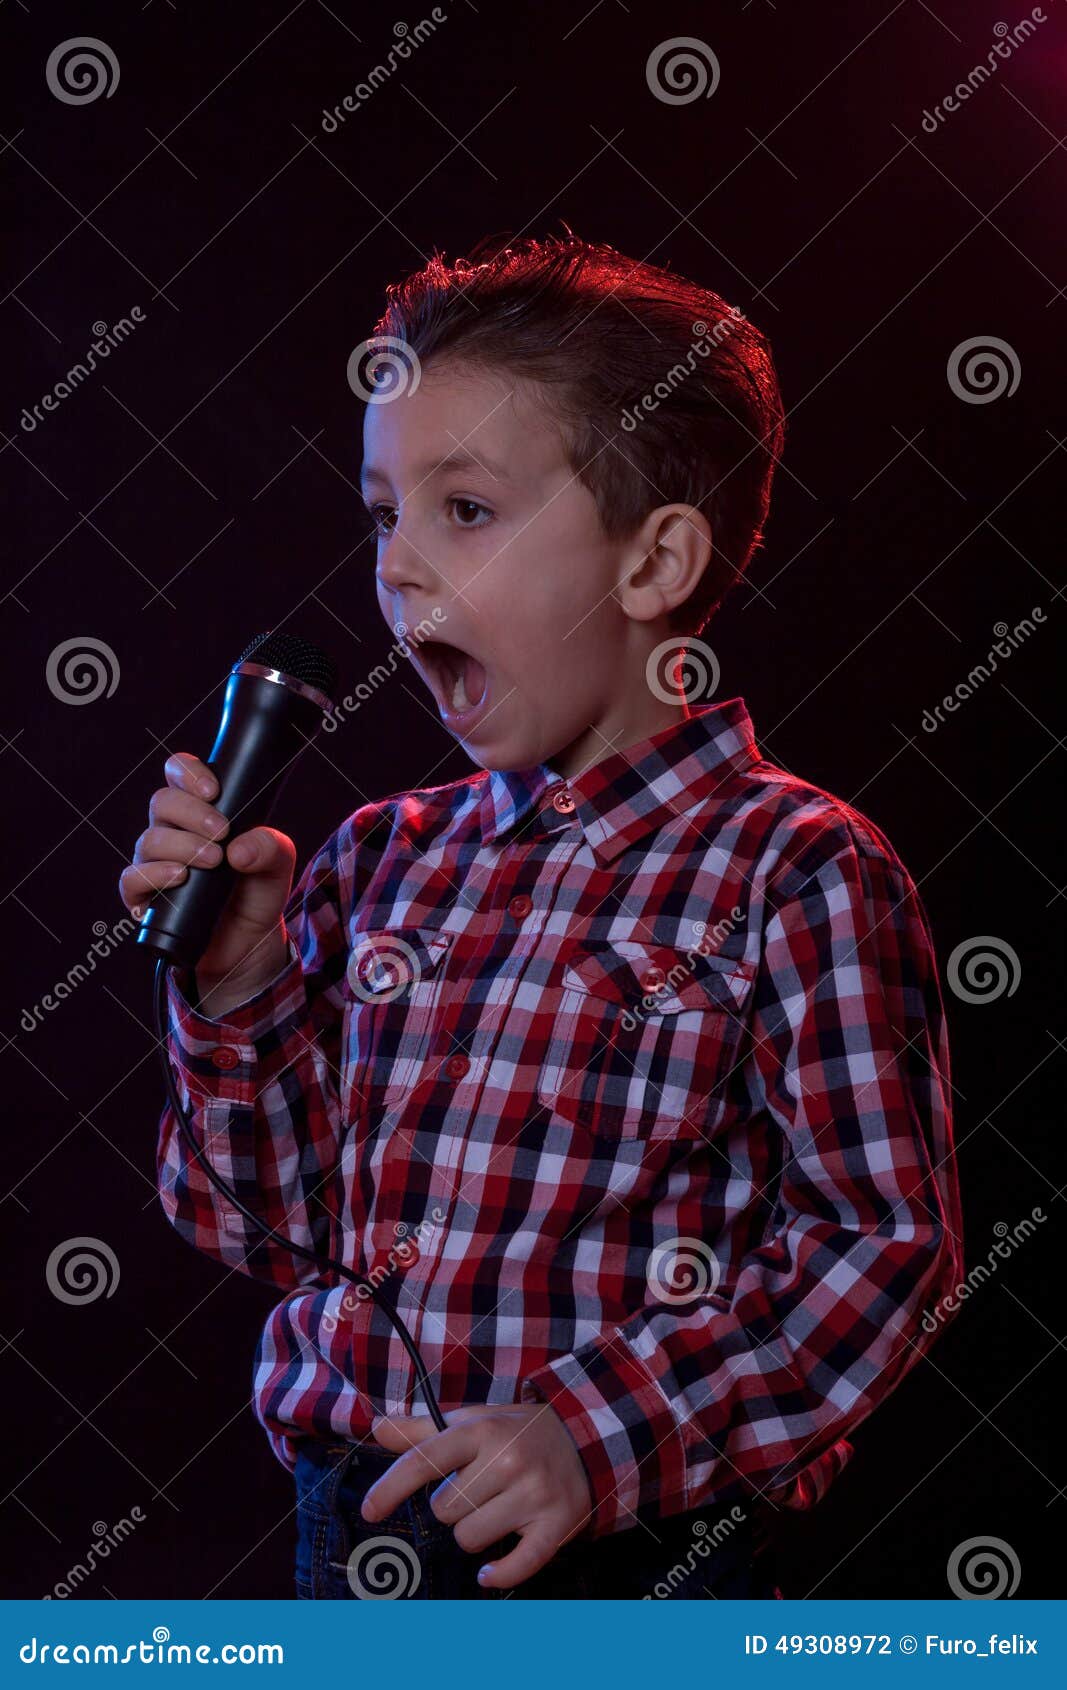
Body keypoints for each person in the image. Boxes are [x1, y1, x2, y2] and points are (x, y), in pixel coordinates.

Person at [120, 232, 965, 1600]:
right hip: (354, 1533)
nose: (398, 568)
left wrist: (594, 1435)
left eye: (465, 511)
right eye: (382, 512)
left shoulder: (793, 867)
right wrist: (238, 988)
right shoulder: (377, 859)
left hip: (620, 1553)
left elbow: (882, 1250)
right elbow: (264, 1229)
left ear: (655, 564)